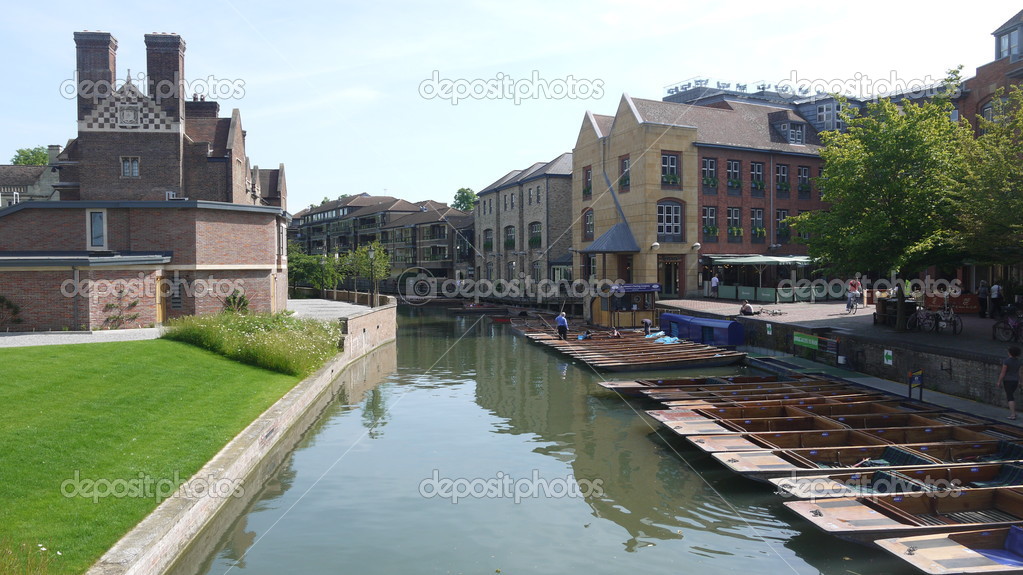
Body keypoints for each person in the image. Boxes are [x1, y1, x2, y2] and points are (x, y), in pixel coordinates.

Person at [997, 346, 1022, 420]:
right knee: (1011, 396)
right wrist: (1021, 381)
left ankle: (1013, 414)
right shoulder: (1019, 361)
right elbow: (1020, 373)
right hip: (1015, 381)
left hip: (1008, 381)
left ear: (1010, 353)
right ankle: (1014, 412)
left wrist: (999, 381)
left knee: (1010, 397)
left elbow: (1003, 373)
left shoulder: (1006, 361)